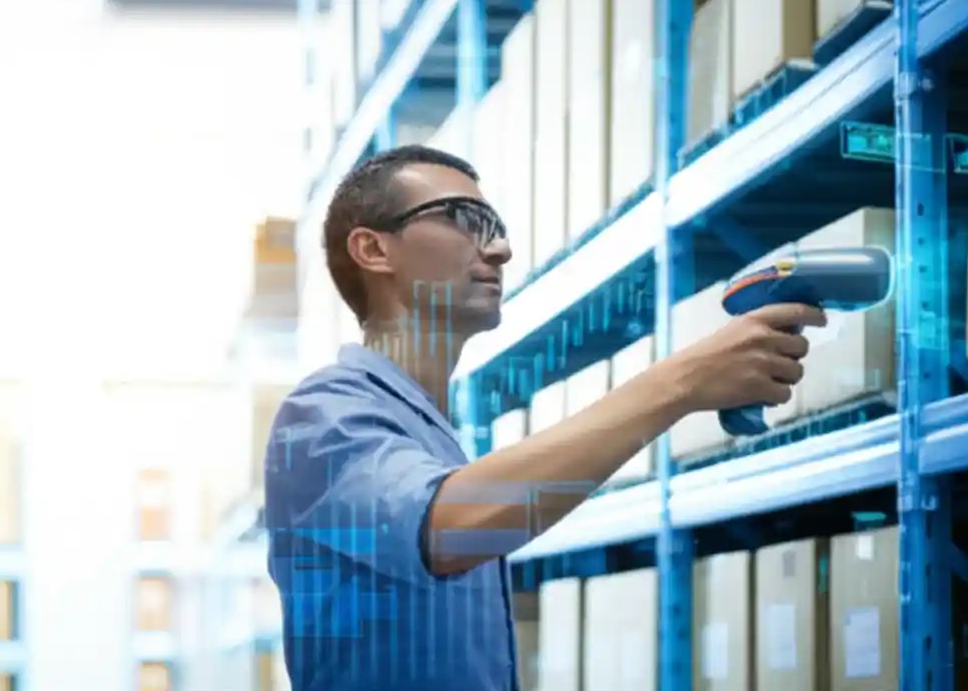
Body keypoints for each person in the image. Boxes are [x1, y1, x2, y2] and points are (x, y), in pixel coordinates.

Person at [264, 145, 824, 690]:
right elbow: (450, 530)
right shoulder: (322, 418)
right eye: (465, 219)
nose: (501, 248)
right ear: (373, 249)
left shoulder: (430, 437)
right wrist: (681, 383)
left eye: (497, 225)